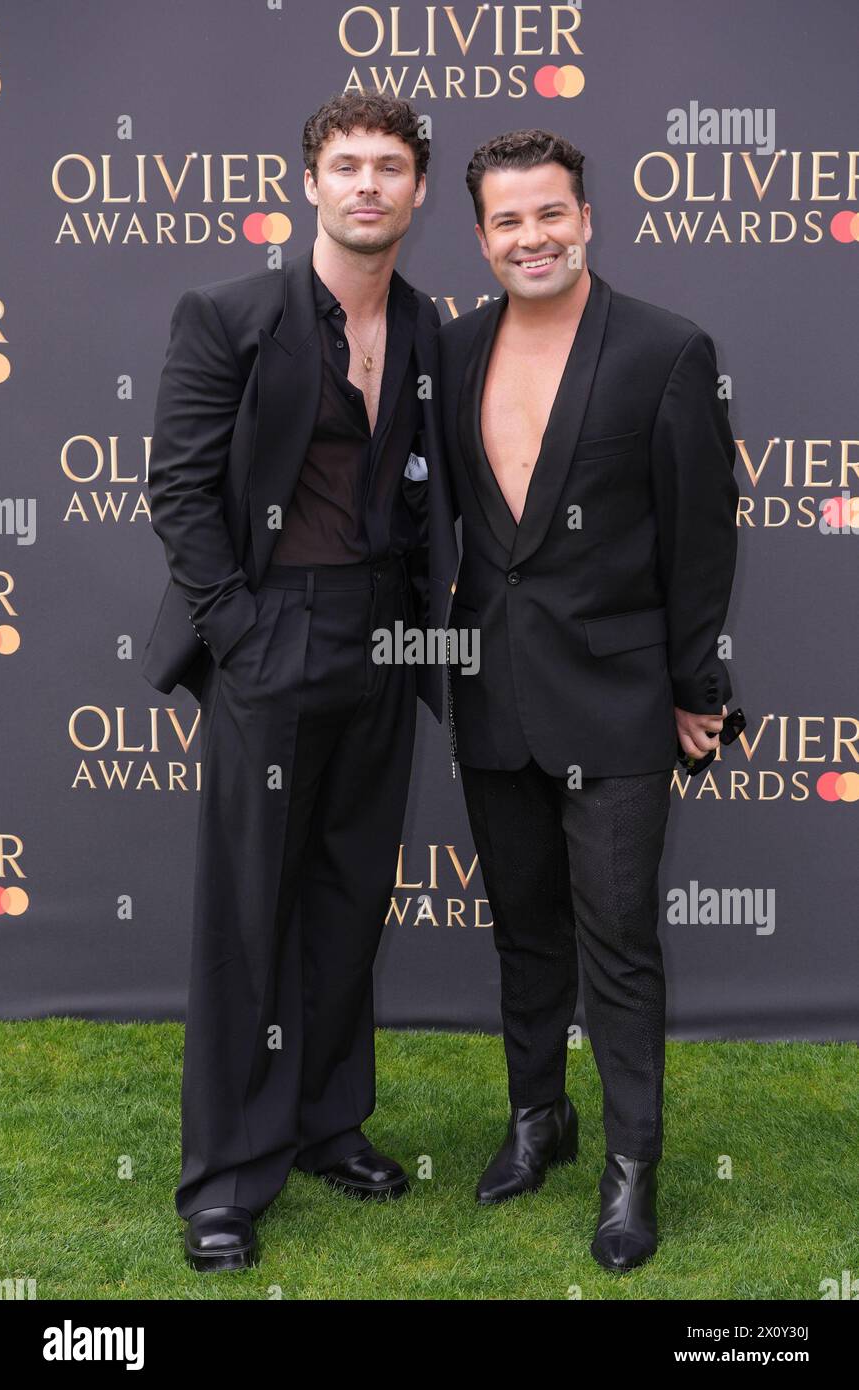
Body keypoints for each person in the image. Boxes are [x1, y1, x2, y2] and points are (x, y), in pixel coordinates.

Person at [142, 90, 457, 1271]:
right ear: (310, 183)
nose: (367, 183)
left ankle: (327, 1121)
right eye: (346, 164)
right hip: (271, 636)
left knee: (345, 895)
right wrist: (239, 632)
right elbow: (178, 490)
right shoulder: (228, 314)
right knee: (246, 913)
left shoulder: (428, 324)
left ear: (417, 191)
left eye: (389, 166)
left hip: (384, 642)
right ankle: (224, 1179)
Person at [438, 129, 739, 1271]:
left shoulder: (663, 349)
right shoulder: (454, 349)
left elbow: (700, 543)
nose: (532, 236)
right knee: (522, 931)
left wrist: (692, 688)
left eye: (550, 213)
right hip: (490, 693)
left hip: (614, 700)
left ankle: (630, 1167)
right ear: (479, 237)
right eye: (508, 221)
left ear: (586, 217)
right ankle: (536, 1121)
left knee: (615, 938)